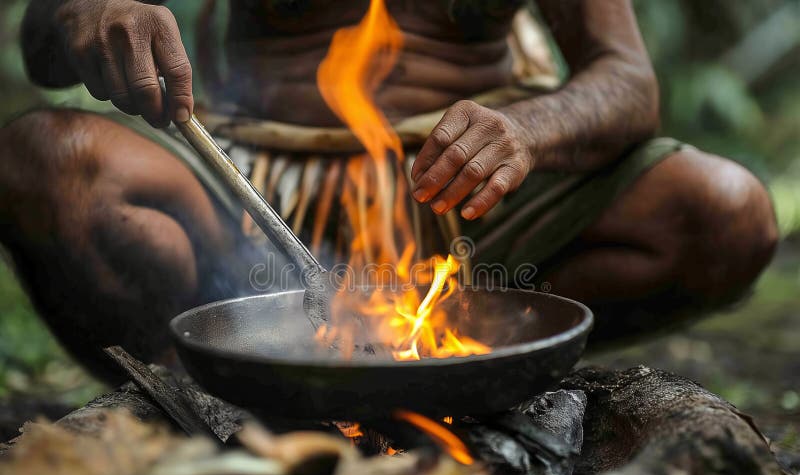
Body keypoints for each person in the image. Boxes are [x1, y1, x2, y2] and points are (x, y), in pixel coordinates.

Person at [0, 0, 777, 382]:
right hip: (246, 192)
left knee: (723, 211)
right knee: (45, 162)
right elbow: (43, 39)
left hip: (474, 198)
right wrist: (87, 15)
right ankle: (205, 403)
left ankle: (484, 366)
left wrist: (531, 131)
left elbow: (629, 78)